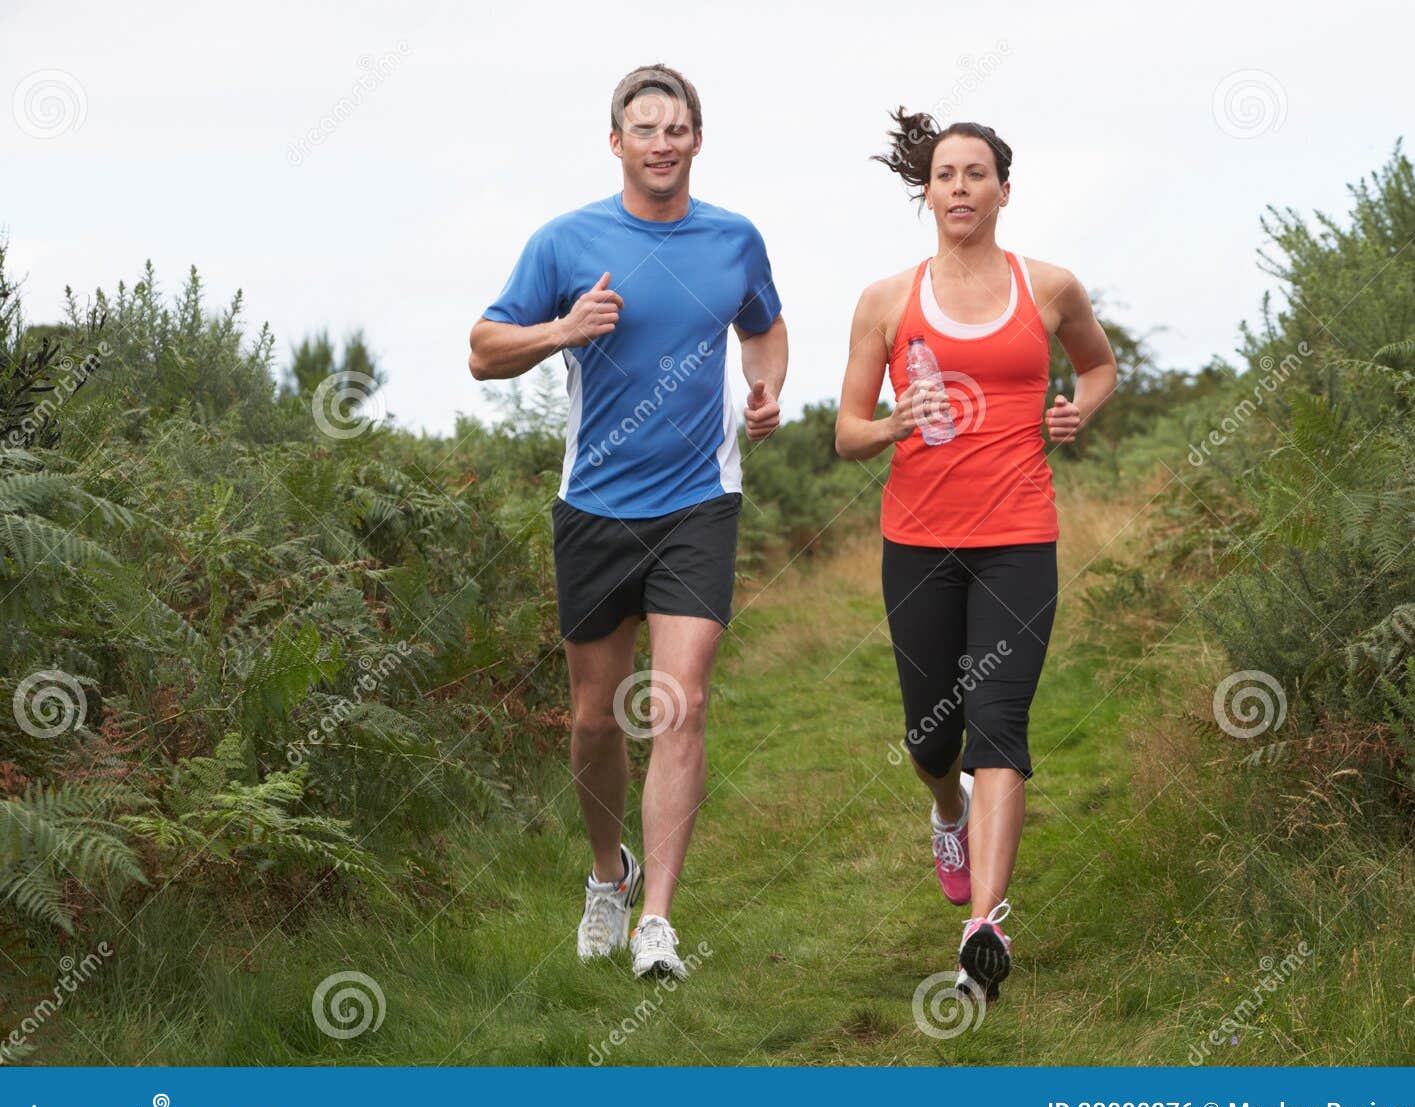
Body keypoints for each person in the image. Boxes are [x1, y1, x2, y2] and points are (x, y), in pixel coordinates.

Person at [468, 64, 787, 981]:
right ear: (617, 143)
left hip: (699, 502)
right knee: (595, 720)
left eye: (676, 128)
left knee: (678, 703)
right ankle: (607, 875)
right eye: (643, 129)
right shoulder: (566, 242)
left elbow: (764, 326)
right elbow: (484, 351)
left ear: (695, 139)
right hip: (595, 506)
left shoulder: (734, 239)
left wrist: (766, 390)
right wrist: (561, 331)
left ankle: (657, 923)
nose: (661, 142)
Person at [834, 108, 1117, 1000]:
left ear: (1003, 189)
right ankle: (946, 807)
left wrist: (1079, 409)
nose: (959, 187)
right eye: (945, 175)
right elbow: (845, 433)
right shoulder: (886, 300)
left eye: (975, 174)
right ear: (928, 190)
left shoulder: (1050, 288)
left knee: (1000, 723)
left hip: (1019, 540)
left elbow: (1099, 366)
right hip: (917, 541)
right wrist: (891, 423)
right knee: (931, 734)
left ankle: (982, 931)